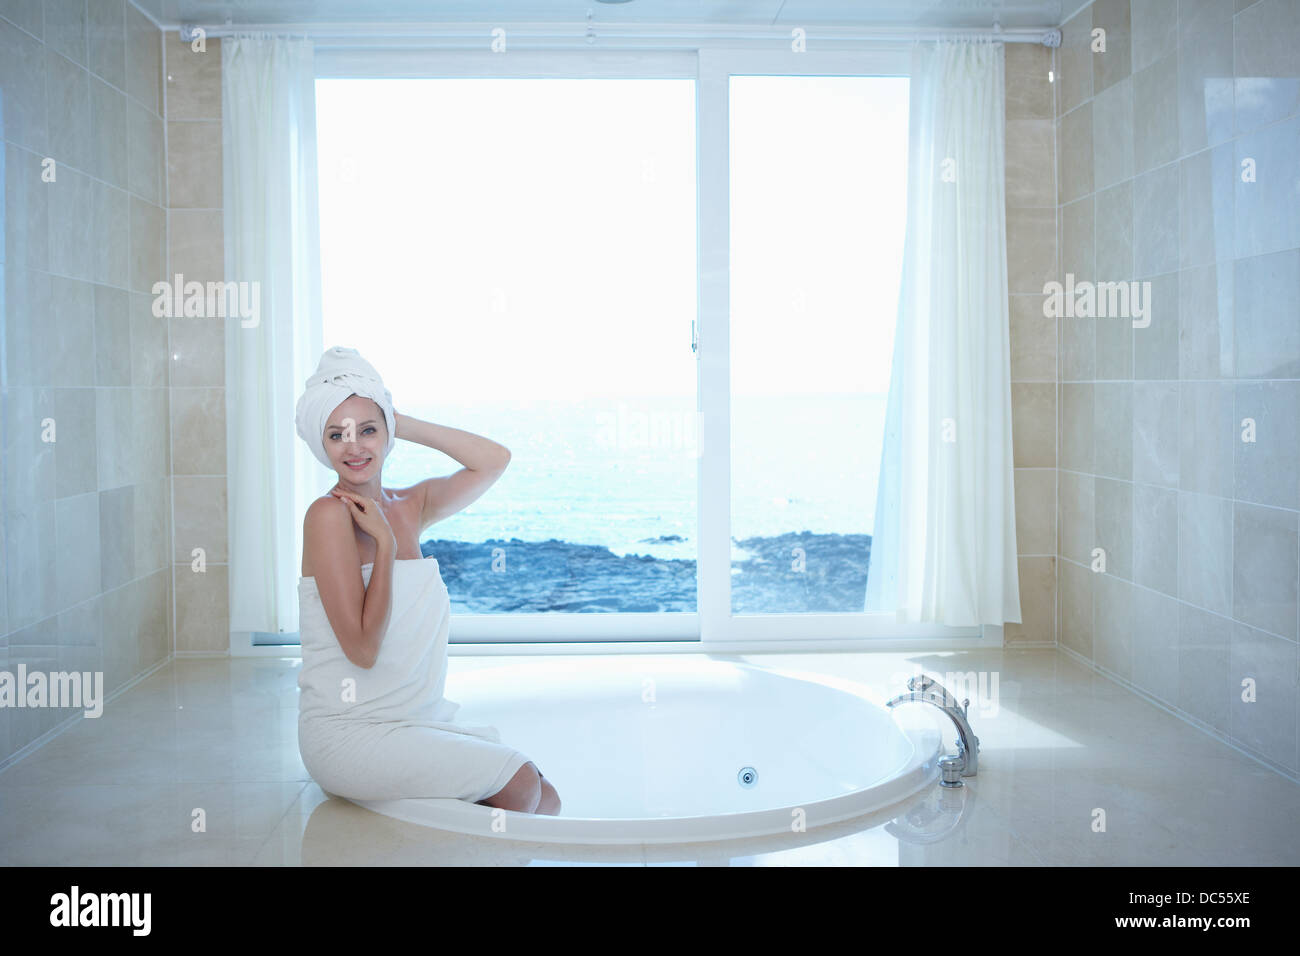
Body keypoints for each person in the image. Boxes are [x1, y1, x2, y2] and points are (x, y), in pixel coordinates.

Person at [293, 346, 560, 815]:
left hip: (414, 717)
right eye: (337, 435)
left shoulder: (408, 505)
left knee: (547, 797)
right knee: (519, 788)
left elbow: (493, 460)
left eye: (368, 430)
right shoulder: (327, 517)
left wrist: (399, 421)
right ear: (323, 445)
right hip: (351, 730)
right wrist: (386, 546)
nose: (355, 446)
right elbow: (361, 649)